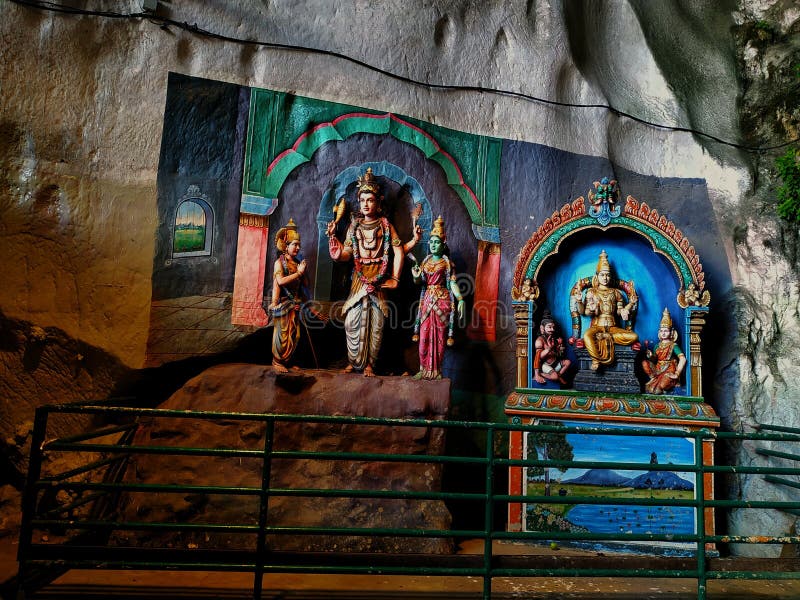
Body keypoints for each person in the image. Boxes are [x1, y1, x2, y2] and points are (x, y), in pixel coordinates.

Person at [326, 167, 419, 376]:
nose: (366, 204)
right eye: (362, 200)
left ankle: (370, 364)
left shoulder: (385, 226)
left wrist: (395, 278)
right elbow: (347, 253)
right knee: (352, 322)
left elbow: (398, 251)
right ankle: (354, 361)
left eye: (370, 200)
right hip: (359, 281)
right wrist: (335, 248)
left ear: (379, 202)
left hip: (379, 281)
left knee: (376, 324)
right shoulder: (354, 226)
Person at [410, 216, 465, 380]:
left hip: (442, 302)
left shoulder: (447, 264)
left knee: (440, 337)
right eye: (431, 242)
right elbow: (420, 282)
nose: (433, 245)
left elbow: (452, 282)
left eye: (437, 242)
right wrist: (416, 276)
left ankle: (436, 371)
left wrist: (460, 298)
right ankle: (423, 369)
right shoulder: (425, 262)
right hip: (427, 301)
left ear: (443, 243)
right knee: (423, 338)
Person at [576, 249, 639, 370]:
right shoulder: (591, 292)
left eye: (607, 275)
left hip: (612, 328)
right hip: (597, 327)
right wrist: (580, 301)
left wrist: (629, 306)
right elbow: (584, 312)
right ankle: (596, 359)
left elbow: (619, 311)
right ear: (597, 276)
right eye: (602, 275)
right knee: (587, 335)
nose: (605, 278)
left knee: (633, 336)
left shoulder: (616, 293)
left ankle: (605, 336)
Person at [269, 218, 315, 373]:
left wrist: (303, 272)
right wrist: (299, 273)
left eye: (299, 245)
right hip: (283, 304)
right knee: (283, 335)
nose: (298, 247)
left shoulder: (296, 263)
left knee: (295, 335)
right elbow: (281, 281)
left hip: (295, 305)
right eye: (295, 244)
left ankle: (288, 361)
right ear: (286, 246)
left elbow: (304, 285)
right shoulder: (279, 263)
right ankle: (277, 361)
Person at [641, 308, 686, 394]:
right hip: (658, 369)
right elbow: (654, 360)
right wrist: (651, 356)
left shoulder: (673, 345)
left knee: (661, 387)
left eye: (666, 331)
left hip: (669, 370)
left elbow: (683, 359)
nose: (663, 333)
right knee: (645, 363)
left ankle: (668, 382)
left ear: (671, 332)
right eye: (661, 331)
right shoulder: (657, 346)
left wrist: (677, 373)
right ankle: (654, 378)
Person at [533, 310, 571, 384]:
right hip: (546, 365)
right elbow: (538, 357)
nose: (552, 330)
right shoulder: (539, 340)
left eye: (553, 327)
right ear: (542, 328)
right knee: (555, 377)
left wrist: (560, 347)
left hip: (555, 363)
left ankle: (558, 376)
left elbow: (558, 355)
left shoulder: (553, 339)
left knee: (568, 362)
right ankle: (542, 374)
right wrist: (549, 349)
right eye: (549, 327)